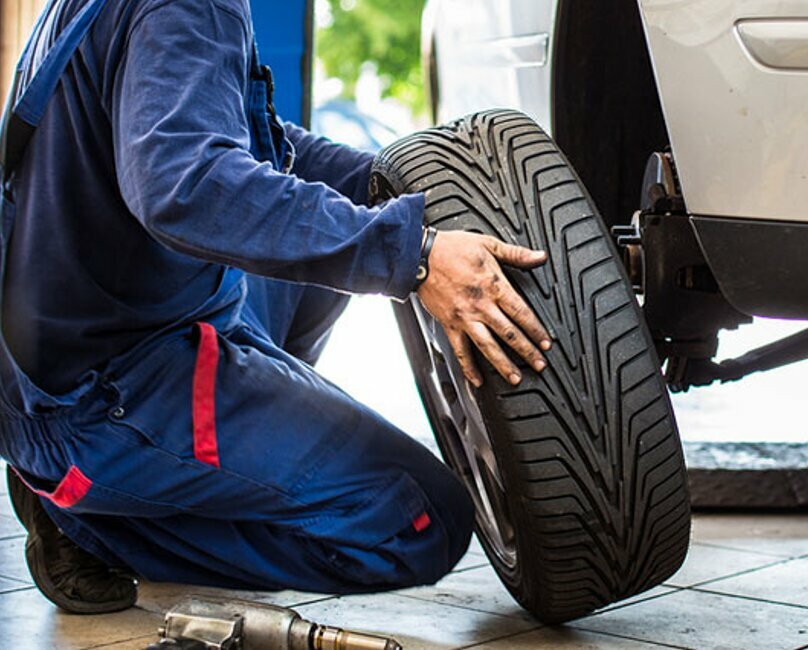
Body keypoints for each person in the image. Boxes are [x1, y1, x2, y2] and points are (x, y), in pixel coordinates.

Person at [0, 0, 551, 614]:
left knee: (313, 251)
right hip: (102, 394)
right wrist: (412, 256)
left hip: (78, 347)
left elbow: (251, 142)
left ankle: (229, 461)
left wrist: (395, 189)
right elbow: (185, 186)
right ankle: (86, 518)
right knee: (422, 520)